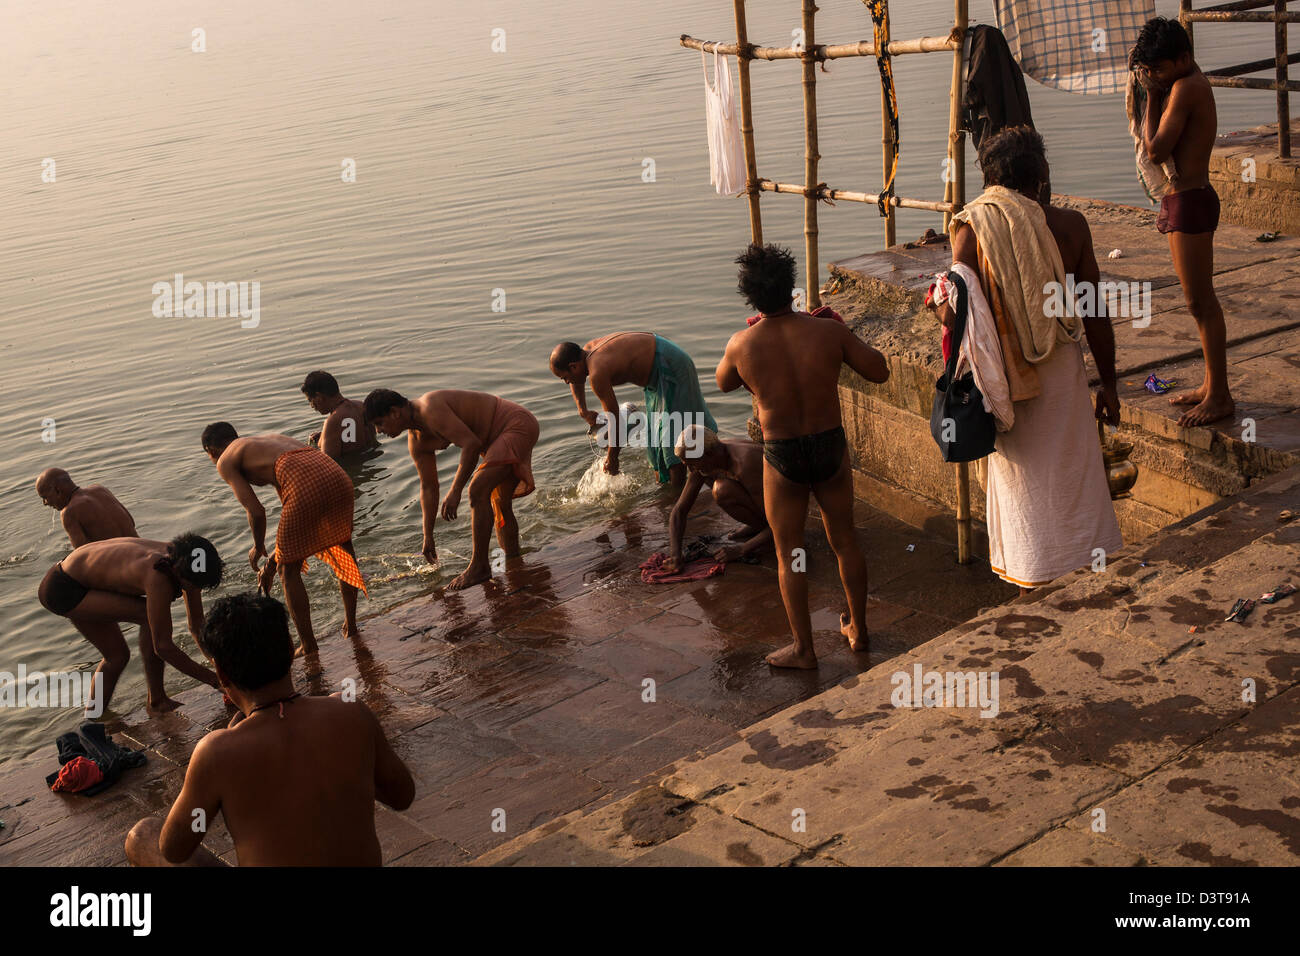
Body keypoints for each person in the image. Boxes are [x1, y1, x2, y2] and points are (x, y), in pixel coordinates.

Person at [943, 125, 1123, 592]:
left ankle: (1034, 575)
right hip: (1061, 372)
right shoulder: (1069, 227)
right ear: (1041, 174)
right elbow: (1095, 311)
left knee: (1025, 486)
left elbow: (954, 315)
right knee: (1073, 477)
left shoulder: (971, 229)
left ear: (990, 182)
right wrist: (1110, 385)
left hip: (1010, 379)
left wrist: (937, 301)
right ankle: (1086, 564)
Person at [124, 593, 415, 867]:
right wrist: (345, 770)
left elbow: (175, 849)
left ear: (222, 675)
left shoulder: (217, 752)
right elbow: (402, 796)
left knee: (143, 836)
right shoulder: (351, 712)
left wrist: (217, 790)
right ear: (290, 650)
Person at [716, 244, 889, 669]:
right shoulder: (827, 332)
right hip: (828, 445)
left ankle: (804, 649)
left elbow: (723, 383)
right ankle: (859, 630)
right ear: (791, 287)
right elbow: (879, 370)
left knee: (788, 550)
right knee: (844, 540)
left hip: (783, 454)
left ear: (750, 296)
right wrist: (837, 327)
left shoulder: (743, 343)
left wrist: (752, 336)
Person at [1131, 17, 1233, 427]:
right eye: (1148, 70)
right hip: (1182, 200)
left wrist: (1152, 96)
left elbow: (1155, 150)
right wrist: (1157, 86)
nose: (1151, 77)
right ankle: (1211, 385)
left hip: (1191, 201)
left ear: (1183, 59)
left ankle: (1221, 395)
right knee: (1197, 302)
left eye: (1158, 69)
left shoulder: (1188, 87)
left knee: (1201, 302)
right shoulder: (1180, 83)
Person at [201, 423, 365, 654]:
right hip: (335, 474)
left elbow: (256, 511)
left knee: (288, 572)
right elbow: (300, 530)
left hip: (303, 482)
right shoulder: (264, 441)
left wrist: (258, 547)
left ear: (211, 450)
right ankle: (351, 625)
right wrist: (273, 560)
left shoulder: (224, 460)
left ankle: (308, 644)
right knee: (342, 546)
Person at [362, 388, 539, 590]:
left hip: (515, 424)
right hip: (494, 441)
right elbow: (428, 487)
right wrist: (428, 535)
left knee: (477, 490)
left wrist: (455, 491)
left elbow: (471, 444)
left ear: (395, 412)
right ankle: (513, 560)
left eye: (379, 423)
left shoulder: (429, 408)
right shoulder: (417, 441)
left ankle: (479, 566)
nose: (378, 431)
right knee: (499, 502)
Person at [37, 534, 223, 714]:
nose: (194, 590)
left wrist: (221, 668)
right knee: (144, 618)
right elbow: (163, 647)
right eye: (193, 586)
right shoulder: (158, 574)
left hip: (78, 574)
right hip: (63, 588)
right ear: (181, 574)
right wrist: (215, 682)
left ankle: (94, 718)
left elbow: (197, 624)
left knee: (117, 657)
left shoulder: (186, 560)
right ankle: (156, 701)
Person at [550, 332, 718, 487]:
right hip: (655, 377)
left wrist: (612, 458)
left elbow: (616, 421)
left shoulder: (597, 372)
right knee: (656, 443)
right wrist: (583, 410)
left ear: (573, 367)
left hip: (670, 365)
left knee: (671, 440)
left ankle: (678, 498)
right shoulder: (585, 352)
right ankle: (668, 493)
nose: (566, 382)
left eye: (564, 377)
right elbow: (575, 381)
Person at [665, 424, 771, 570]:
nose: (690, 470)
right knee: (716, 484)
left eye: (692, 464)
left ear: (708, 454)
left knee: (722, 490)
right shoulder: (708, 455)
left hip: (786, 508)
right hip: (768, 505)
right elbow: (679, 511)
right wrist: (675, 554)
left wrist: (742, 549)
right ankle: (758, 526)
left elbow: (781, 523)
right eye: (687, 465)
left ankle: (761, 526)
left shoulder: (744, 463)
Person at [35, 468, 137, 547]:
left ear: (58, 490)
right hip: (143, 549)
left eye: (45, 497)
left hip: (123, 564)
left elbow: (83, 555)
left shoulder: (69, 512)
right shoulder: (100, 489)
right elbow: (131, 522)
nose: (45, 503)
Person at [300, 370, 377, 459]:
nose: (312, 406)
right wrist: (324, 435)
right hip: (373, 460)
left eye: (310, 400)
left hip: (350, 468)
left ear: (319, 397)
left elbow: (327, 462)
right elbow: (354, 437)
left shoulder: (333, 421)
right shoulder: (362, 406)